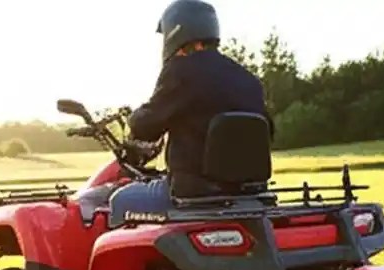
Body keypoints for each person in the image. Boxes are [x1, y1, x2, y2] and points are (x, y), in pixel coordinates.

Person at [111, 0, 273, 222]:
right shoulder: (248, 79)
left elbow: (146, 125)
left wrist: (133, 118)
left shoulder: (180, 70)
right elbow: (268, 131)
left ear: (176, 31)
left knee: (119, 200)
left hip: (195, 193)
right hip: (250, 194)